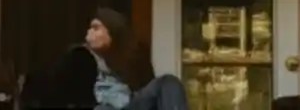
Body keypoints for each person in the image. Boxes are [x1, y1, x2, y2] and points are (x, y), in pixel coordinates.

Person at [28, 8, 189, 110]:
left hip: (130, 105)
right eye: (89, 28)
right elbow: (61, 96)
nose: (89, 32)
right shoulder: (79, 57)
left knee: (169, 82)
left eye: (96, 27)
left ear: (113, 31)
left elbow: (149, 98)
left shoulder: (134, 58)